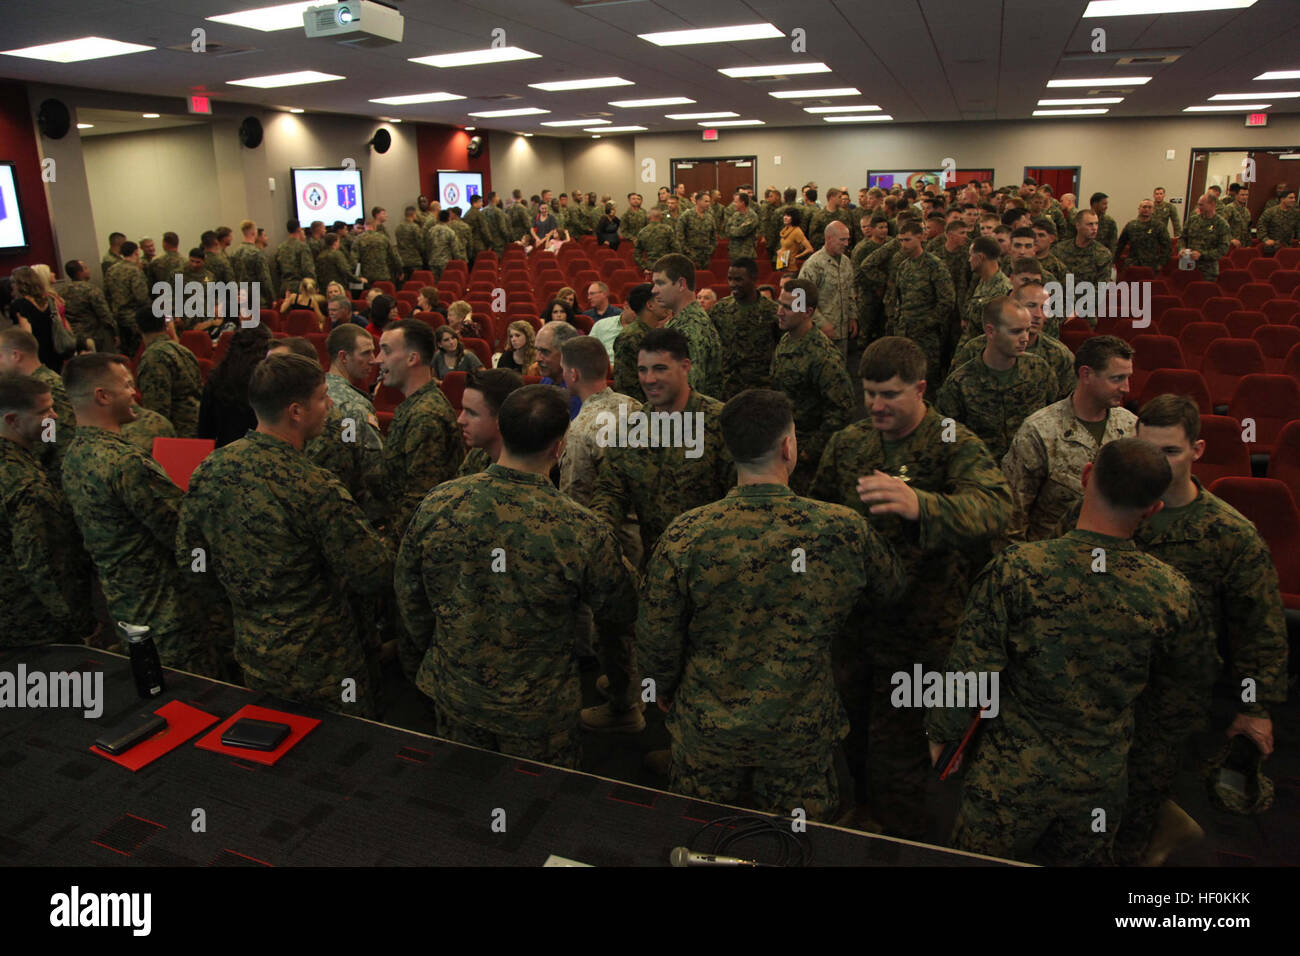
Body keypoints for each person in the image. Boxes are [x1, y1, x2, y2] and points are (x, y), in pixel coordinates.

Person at [925, 438, 1214, 866]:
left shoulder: (1017, 569)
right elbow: (1180, 699)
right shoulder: (1173, 594)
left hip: (1008, 782)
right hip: (1098, 787)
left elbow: (969, 671)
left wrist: (943, 737)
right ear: (1153, 509)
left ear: (1084, 477)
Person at [641, 388, 904, 821]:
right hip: (799, 736)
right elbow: (890, 592)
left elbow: (656, 637)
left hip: (707, 735)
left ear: (730, 450)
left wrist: (665, 691)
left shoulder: (685, 534)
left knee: (700, 836)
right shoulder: (841, 529)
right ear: (788, 446)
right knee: (798, 847)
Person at [809, 336, 1013, 838]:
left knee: (902, 749)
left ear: (921, 389)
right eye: (869, 392)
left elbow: (996, 507)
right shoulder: (850, 442)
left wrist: (924, 505)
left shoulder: (953, 442)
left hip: (923, 630)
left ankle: (898, 837)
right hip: (856, 629)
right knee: (852, 735)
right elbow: (821, 515)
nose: (876, 404)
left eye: (890, 394)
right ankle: (864, 816)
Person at [394, 385, 637, 768]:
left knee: (454, 796)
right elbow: (621, 610)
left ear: (501, 432)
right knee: (537, 809)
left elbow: (410, 598)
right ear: (559, 448)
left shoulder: (439, 503)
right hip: (538, 712)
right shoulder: (580, 529)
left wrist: (429, 665)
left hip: (456, 693)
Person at [179, 352, 395, 717]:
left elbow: (193, 564)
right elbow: (372, 571)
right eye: (323, 397)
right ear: (296, 411)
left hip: (253, 652)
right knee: (350, 755)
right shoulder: (313, 487)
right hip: (323, 663)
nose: (329, 406)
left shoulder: (209, 470)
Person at [61, 353, 221, 675]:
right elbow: (182, 531)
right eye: (126, 385)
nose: (135, 393)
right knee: (194, 699)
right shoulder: (126, 463)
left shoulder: (74, 455)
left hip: (123, 606)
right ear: (102, 396)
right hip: (167, 615)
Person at [589, 327, 735, 568]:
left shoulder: (720, 423)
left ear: (685, 366)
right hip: (656, 568)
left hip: (712, 568)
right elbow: (610, 492)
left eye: (660, 369)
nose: (649, 379)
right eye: (642, 370)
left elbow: (737, 496)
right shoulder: (631, 429)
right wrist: (597, 538)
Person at [1002, 335, 1138, 542]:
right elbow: (1012, 516)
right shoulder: (1040, 430)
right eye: (1116, 378)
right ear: (1086, 374)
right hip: (1051, 560)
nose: (1126, 388)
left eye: (1128, 378)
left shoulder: (1132, 428)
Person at [0, 372, 96, 644]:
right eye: (44, 412)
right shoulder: (26, 485)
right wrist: (81, 624)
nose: (55, 417)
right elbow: (45, 565)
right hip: (32, 626)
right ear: (13, 421)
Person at [375, 318, 464, 541]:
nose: (378, 360)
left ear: (412, 358)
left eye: (385, 351)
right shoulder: (415, 406)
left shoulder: (426, 415)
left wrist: (387, 548)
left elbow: (420, 502)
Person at [770, 279, 854, 495]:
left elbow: (840, 411)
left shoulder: (823, 356)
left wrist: (808, 453)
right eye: (780, 304)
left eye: (788, 307)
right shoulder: (787, 340)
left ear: (807, 312)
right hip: (785, 444)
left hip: (808, 459)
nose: (780, 312)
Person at [653, 254, 722, 398]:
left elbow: (690, 392)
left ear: (681, 284)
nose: (654, 290)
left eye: (660, 283)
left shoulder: (691, 328)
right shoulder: (680, 321)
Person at [711, 258, 782, 400]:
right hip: (728, 389)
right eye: (730, 279)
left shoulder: (772, 311)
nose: (732, 284)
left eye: (739, 280)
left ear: (753, 278)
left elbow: (781, 348)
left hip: (760, 389)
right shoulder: (721, 308)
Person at [198, 324, 273, 448]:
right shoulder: (268, 381)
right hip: (261, 453)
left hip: (223, 454)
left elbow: (204, 432)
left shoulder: (216, 379)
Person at [135, 306, 203, 438]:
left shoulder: (153, 357)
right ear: (165, 325)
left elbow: (156, 411)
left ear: (137, 328)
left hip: (176, 433)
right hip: (196, 425)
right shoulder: (183, 350)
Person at [456, 367, 525, 475]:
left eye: (472, 413)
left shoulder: (523, 470)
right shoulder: (479, 452)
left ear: (502, 419)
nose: (460, 420)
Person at [10, 266, 74, 372]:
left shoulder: (20, 305)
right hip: (55, 348)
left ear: (19, 284)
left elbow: (26, 333)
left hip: (37, 352)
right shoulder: (49, 300)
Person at [61, 259, 117, 353]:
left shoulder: (62, 291)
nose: (88, 270)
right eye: (85, 268)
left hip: (72, 337)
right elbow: (105, 314)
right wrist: (115, 333)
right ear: (80, 272)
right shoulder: (91, 290)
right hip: (92, 337)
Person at [270, 219, 316, 296]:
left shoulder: (280, 247)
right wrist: (314, 285)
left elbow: (276, 269)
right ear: (299, 229)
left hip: (285, 288)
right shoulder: (302, 246)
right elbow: (307, 268)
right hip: (300, 287)